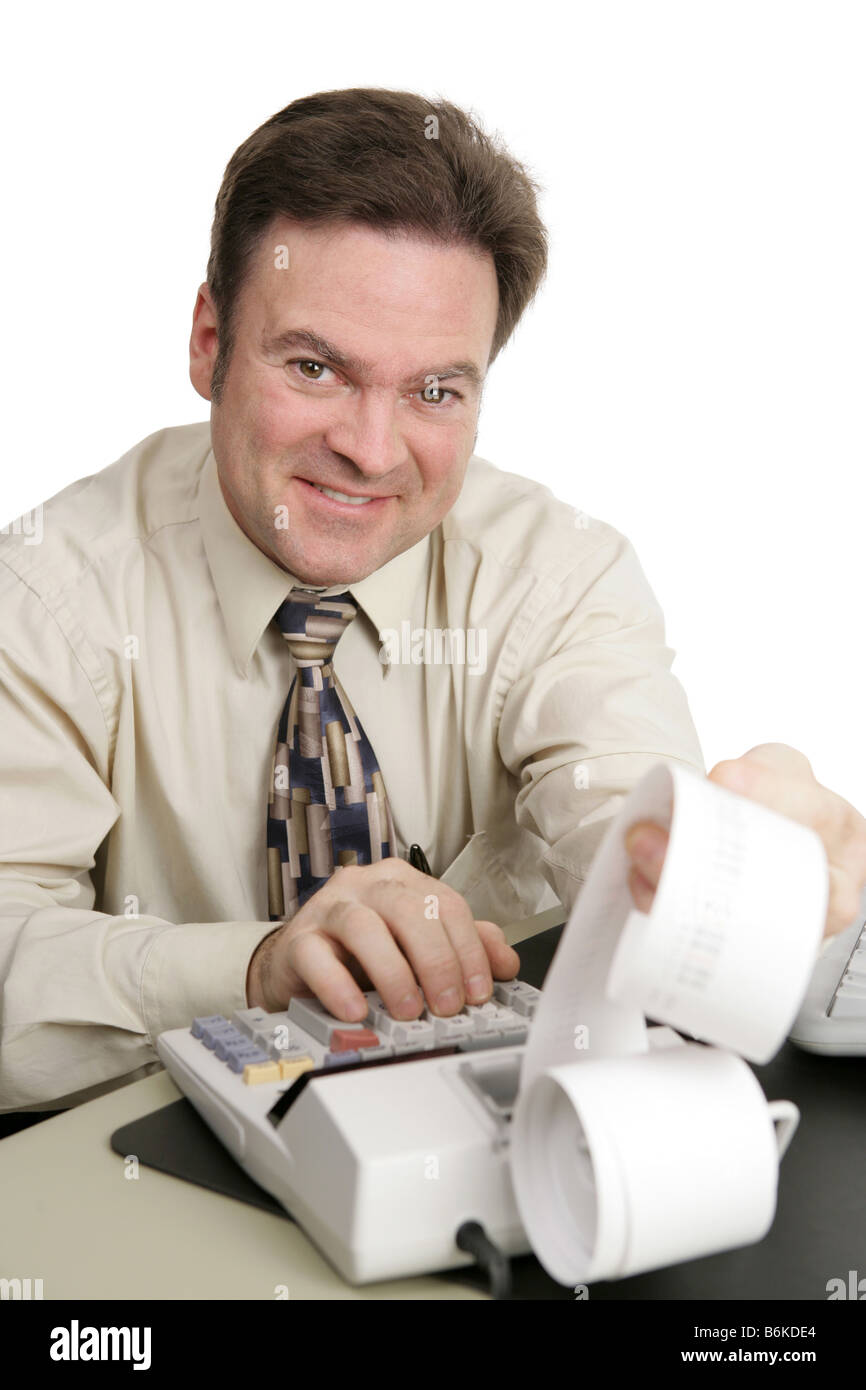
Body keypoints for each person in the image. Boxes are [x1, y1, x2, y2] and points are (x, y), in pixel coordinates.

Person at [1, 87, 863, 1117]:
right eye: (314, 367)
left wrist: (714, 863)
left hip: (494, 1153)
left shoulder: (558, 575)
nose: (370, 450)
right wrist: (258, 967)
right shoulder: (48, 595)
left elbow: (618, 806)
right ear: (208, 339)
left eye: (433, 392)